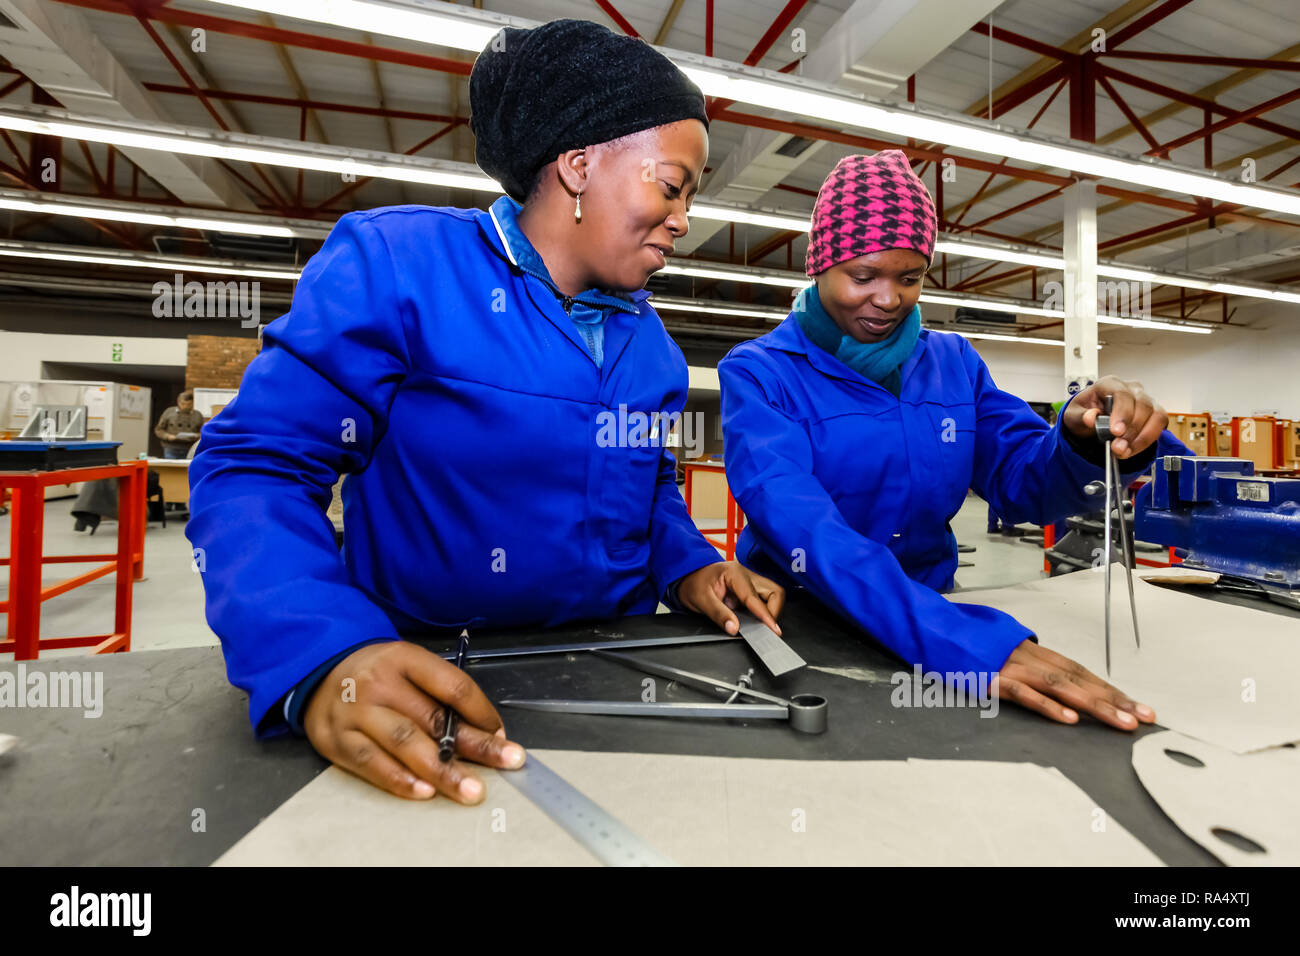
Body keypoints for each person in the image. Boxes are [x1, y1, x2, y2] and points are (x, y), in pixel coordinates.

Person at [187, 19, 783, 806]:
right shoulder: (400, 267)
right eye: (671, 186)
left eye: (690, 198)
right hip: (425, 672)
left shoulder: (652, 347)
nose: (683, 219)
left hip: (621, 667)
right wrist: (323, 653)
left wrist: (690, 565)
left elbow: (646, 491)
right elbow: (254, 467)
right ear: (578, 166)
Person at [719, 150, 1172, 732]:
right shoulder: (761, 374)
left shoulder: (953, 363)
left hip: (938, 613)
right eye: (864, 276)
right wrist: (960, 641)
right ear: (819, 264)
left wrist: (1081, 442)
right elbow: (807, 531)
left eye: (909, 278)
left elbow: (1023, 483)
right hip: (802, 628)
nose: (889, 299)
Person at [154, 390, 205, 459]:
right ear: (178, 402)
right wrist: (168, 436)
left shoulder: (198, 415)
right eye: (183, 404)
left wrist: (198, 435)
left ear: (193, 403)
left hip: (190, 448)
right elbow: (159, 430)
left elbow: (202, 431)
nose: (185, 407)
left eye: (189, 404)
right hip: (171, 447)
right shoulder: (169, 412)